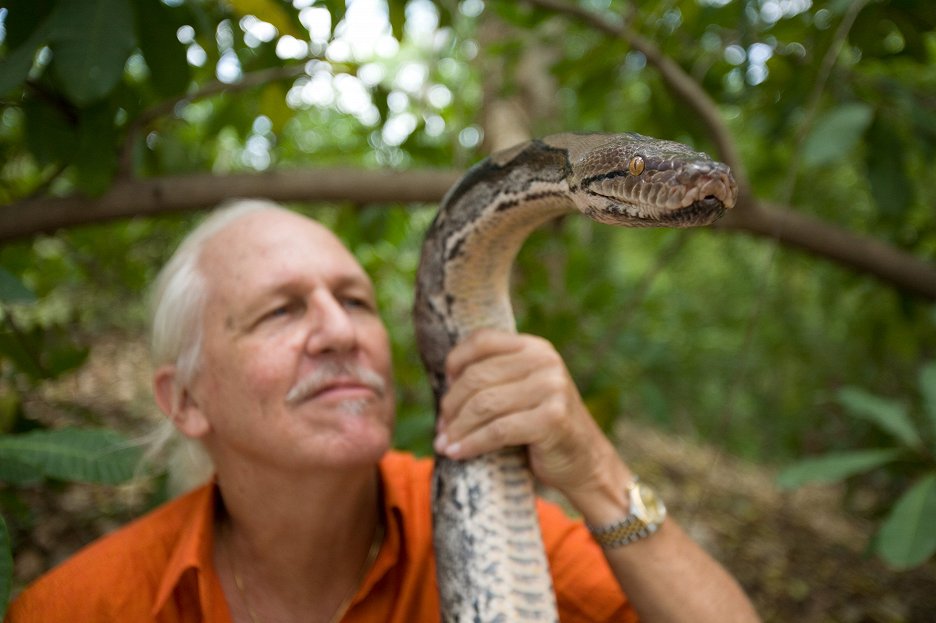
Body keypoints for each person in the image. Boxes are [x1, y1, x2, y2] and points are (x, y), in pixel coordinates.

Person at [5, 199, 760, 623]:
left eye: (357, 300)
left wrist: (594, 471)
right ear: (186, 401)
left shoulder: (507, 527)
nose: (341, 331)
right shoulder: (82, 606)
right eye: (280, 310)